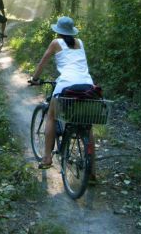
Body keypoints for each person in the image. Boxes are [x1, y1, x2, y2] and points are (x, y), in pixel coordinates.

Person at [29, 16, 96, 177]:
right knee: (88, 124)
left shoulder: (55, 43)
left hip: (66, 85)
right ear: (72, 31)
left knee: (51, 117)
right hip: (88, 86)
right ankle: (92, 171)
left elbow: (43, 61)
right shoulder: (80, 43)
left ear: (58, 31)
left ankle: (46, 158)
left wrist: (35, 79)